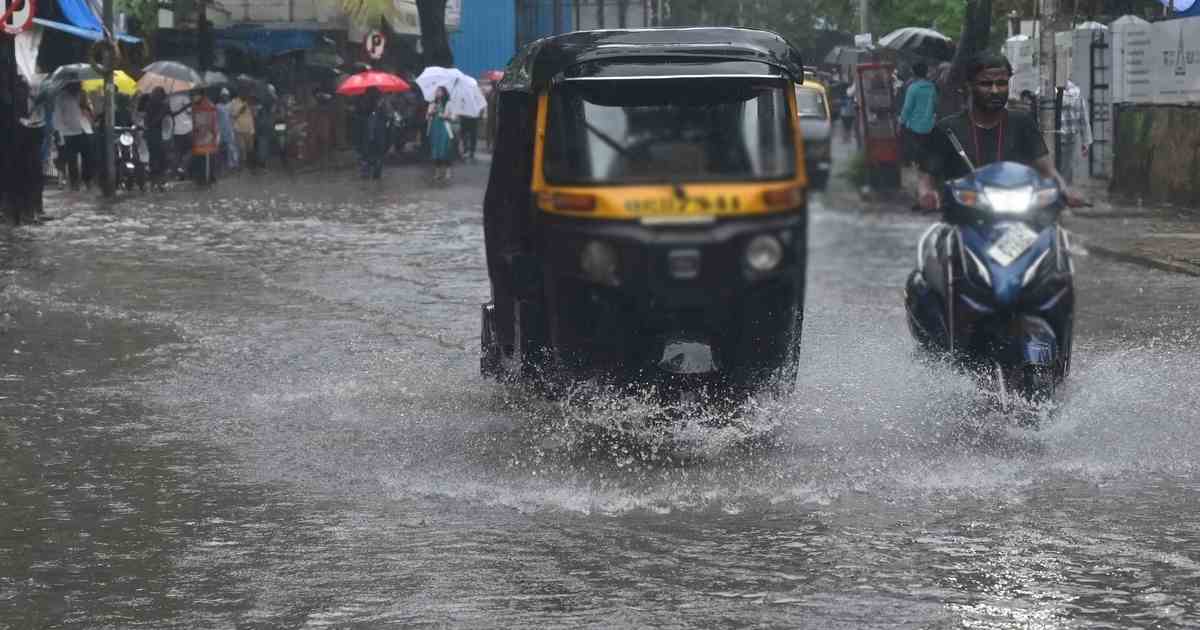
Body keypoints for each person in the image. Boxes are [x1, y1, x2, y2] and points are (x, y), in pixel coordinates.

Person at [917, 53, 1087, 211]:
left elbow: (1047, 170)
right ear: (969, 86)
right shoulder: (947, 129)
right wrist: (927, 195)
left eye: (1001, 83)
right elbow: (926, 178)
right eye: (986, 84)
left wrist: (1065, 191)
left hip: (1016, 216)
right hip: (964, 217)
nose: (995, 91)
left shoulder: (1023, 123)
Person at [53, 82, 95, 191]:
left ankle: (88, 181)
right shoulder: (61, 97)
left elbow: (91, 113)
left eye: (79, 84)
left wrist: (86, 107)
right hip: (69, 133)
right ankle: (74, 183)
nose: (78, 86)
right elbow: (57, 116)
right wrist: (60, 133)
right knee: (72, 160)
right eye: (75, 84)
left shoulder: (83, 95)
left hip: (85, 130)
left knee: (88, 158)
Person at [898, 62, 938, 167]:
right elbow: (935, 105)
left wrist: (901, 122)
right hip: (930, 126)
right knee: (926, 153)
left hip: (914, 128)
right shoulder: (932, 87)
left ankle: (911, 164)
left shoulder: (913, 88)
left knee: (911, 150)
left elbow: (907, 108)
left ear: (914, 74)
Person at [1059, 78, 1094, 185]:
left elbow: (1083, 117)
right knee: (1065, 173)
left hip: (1058, 139)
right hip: (1066, 138)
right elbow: (1083, 118)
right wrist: (1086, 141)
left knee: (1060, 173)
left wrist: (1086, 141)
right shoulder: (1075, 91)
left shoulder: (1044, 89)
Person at [359, 87, 392, 180]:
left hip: (369, 130)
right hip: (377, 130)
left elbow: (360, 113)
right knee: (377, 151)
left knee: (367, 151)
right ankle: (375, 172)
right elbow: (388, 115)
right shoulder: (382, 101)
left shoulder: (364, 100)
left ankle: (367, 172)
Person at [427, 86, 457, 182]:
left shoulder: (449, 103)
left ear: (444, 93)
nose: (437, 93)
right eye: (436, 91)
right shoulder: (432, 103)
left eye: (439, 91)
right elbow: (427, 116)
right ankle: (437, 172)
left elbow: (454, 117)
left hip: (445, 129)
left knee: (445, 149)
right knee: (435, 150)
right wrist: (431, 112)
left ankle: (448, 171)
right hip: (435, 129)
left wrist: (444, 116)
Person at [167, 90, 193, 179]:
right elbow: (190, 111)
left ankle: (175, 173)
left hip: (175, 130)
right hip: (187, 128)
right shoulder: (185, 97)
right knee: (192, 149)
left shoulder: (169, 98)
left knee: (178, 152)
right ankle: (182, 167)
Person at [231, 89, 256, 171]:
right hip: (239, 130)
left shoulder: (250, 103)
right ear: (240, 93)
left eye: (246, 93)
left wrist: (252, 108)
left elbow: (254, 115)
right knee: (242, 148)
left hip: (249, 129)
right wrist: (242, 109)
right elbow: (233, 115)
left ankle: (249, 165)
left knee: (250, 149)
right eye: (244, 93)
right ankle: (242, 166)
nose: (245, 95)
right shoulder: (234, 102)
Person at [216, 88, 238, 172]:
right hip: (220, 129)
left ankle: (233, 164)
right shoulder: (217, 106)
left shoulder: (231, 105)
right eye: (223, 96)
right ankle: (220, 164)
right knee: (219, 147)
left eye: (226, 96)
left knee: (231, 147)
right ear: (221, 97)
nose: (225, 97)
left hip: (230, 129)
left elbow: (234, 116)